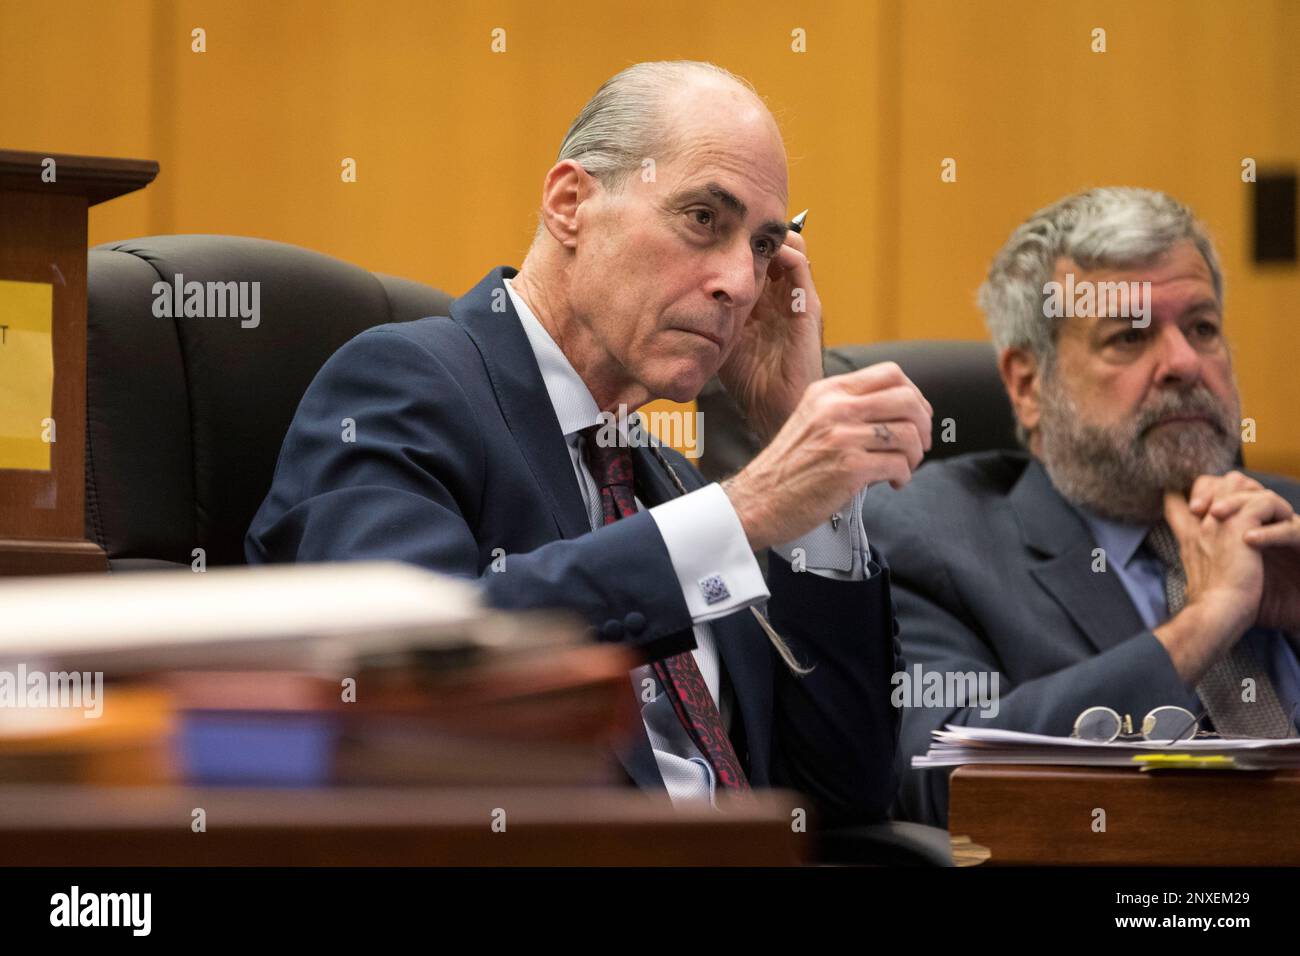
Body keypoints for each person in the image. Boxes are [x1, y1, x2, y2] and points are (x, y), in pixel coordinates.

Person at [247, 60, 934, 826]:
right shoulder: (402, 384)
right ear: (571, 203)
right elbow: (396, 682)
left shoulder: (668, 481)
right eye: (704, 218)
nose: (741, 283)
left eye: (765, 247)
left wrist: (816, 482)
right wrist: (746, 512)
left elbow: (844, 799)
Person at [863, 187, 1300, 827]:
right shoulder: (933, 538)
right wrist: (1202, 625)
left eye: (1202, 328)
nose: (1184, 363)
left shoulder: (1286, 519)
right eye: (1130, 336)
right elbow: (942, 778)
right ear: (1027, 384)